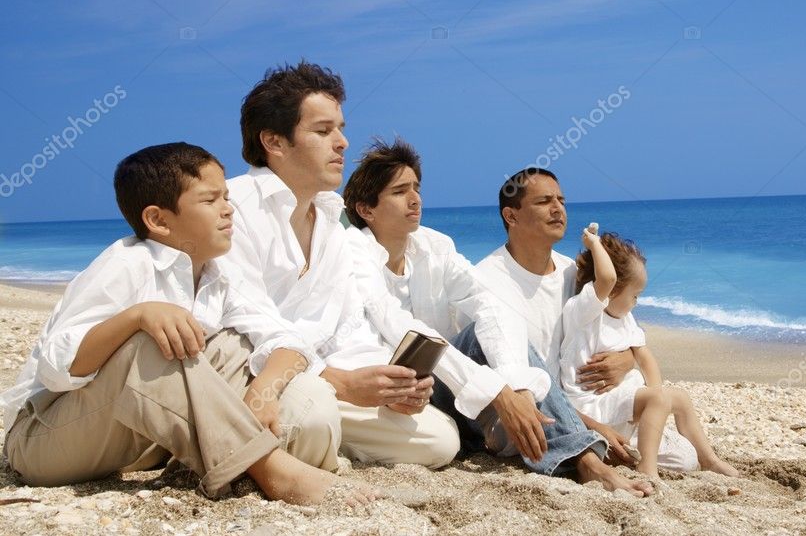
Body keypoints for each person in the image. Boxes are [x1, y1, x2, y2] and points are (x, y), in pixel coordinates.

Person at [0, 143, 366, 506]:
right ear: (158, 220)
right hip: (43, 442)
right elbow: (56, 368)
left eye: (226, 197)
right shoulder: (127, 263)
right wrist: (137, 316)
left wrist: (263, 390)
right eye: (210, 200)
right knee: (152, 342)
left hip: (137, 445)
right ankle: (269, 468)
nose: (229, 209)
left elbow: (287, 340)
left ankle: (234, 458)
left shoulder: (219, 274)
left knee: (242, 353)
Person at [225, 62, 522, 469]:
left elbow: (346, 325)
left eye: (340, 128)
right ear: (274, 142)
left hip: (321, 374)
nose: (342, 142)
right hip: (259, 373)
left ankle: (326, 436)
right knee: (313, 415)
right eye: (323, 131)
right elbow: (244, 319)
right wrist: (341, 383)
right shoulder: (234, 206)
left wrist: (385, 382)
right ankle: (300, 443)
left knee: (439, 440)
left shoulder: (331, 223)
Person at [342, 139, 650, 494]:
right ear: (366, 209)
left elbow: (487, 304)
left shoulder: (435, 246)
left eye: (417, 188)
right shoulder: (353, 252)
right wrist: (500, 393)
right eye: (400, 192)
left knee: (499, 320)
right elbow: (399, 325)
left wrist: (516, 386)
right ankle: (578, 455)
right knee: (471, 339)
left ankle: (586, 462)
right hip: (391, 391)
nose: (415, 200)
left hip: (446, 389)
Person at [475, 168, 700, 473]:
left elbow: (617, 325)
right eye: (544, 201)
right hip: (531, 415)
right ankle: (587, 450)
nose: (558, 209)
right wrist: (592, 427)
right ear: (511, 216)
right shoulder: (486, 280)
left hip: (586, 404)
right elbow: (502, 380)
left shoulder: (572, 273)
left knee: (684, 458)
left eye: (561, 200)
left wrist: (626, 359)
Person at [561, 226, 739, 480]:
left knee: (680, 399)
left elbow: (645, 358)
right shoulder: (584, 312)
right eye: (635, 295)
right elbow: (607, 278)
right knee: (657, 400)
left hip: (620, 406)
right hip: (593, 407)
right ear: (612, 291)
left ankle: (709, 460)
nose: (636, 302)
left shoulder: (625, 319)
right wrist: (594, 244)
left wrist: (658, 399)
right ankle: (648, 469)